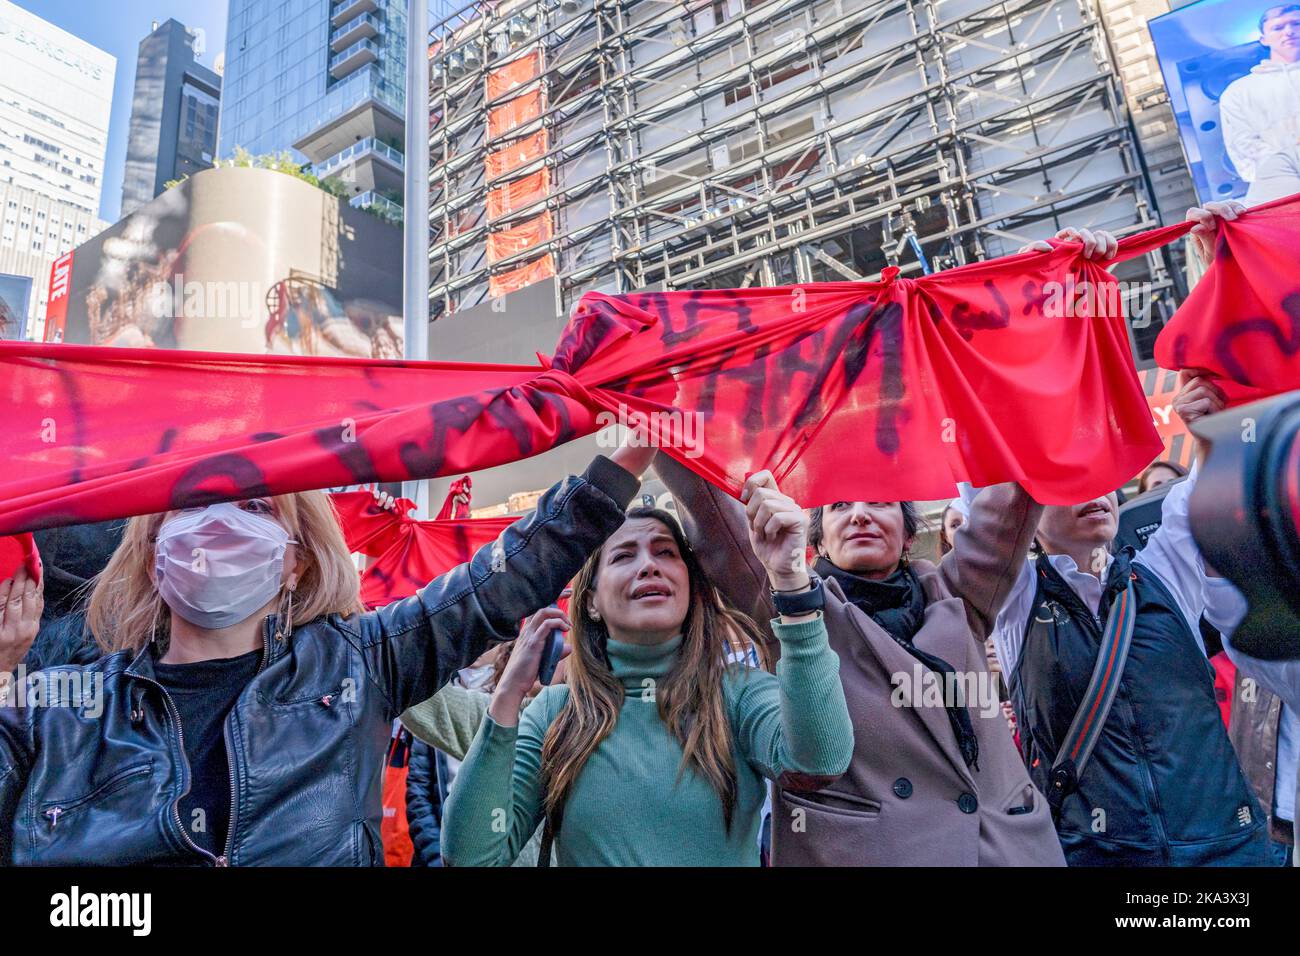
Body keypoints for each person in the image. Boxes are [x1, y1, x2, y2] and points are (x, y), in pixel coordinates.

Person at [0, 449, 653, 865]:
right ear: (151, 549)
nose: (220, 524)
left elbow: (495, 584)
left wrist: (616, 471)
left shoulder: (357, 666)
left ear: (294, 562)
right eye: (195, 506)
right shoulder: (52, 713)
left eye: (255, 507)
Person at [988, 238, 1268, 865]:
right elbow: (1003, 453)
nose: (1094, 489)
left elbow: (1218, 480)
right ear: (1029, 514)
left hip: (1226, 852)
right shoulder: (1013, 600)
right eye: (1068, 479)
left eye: (1101, 475)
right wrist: (1038, 298)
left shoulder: (1167, 566)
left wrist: (1210, 427)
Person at [440, 461, 854, 867]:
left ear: (691, 586)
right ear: (592, 602)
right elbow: (473, 854)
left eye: (665, 551)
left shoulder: (739, 693)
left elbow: (819, 760)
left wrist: (791, 582)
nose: (648, 565)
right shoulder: (554, 713)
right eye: (623, 556)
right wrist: (507, 698)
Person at [1220, 5, 1300, 185]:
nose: (1289, 32)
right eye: (1278, 27)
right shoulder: (1238, 93)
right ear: (1264, 39)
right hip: (1287, 192)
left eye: (1296, 23)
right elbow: (1245, 147)